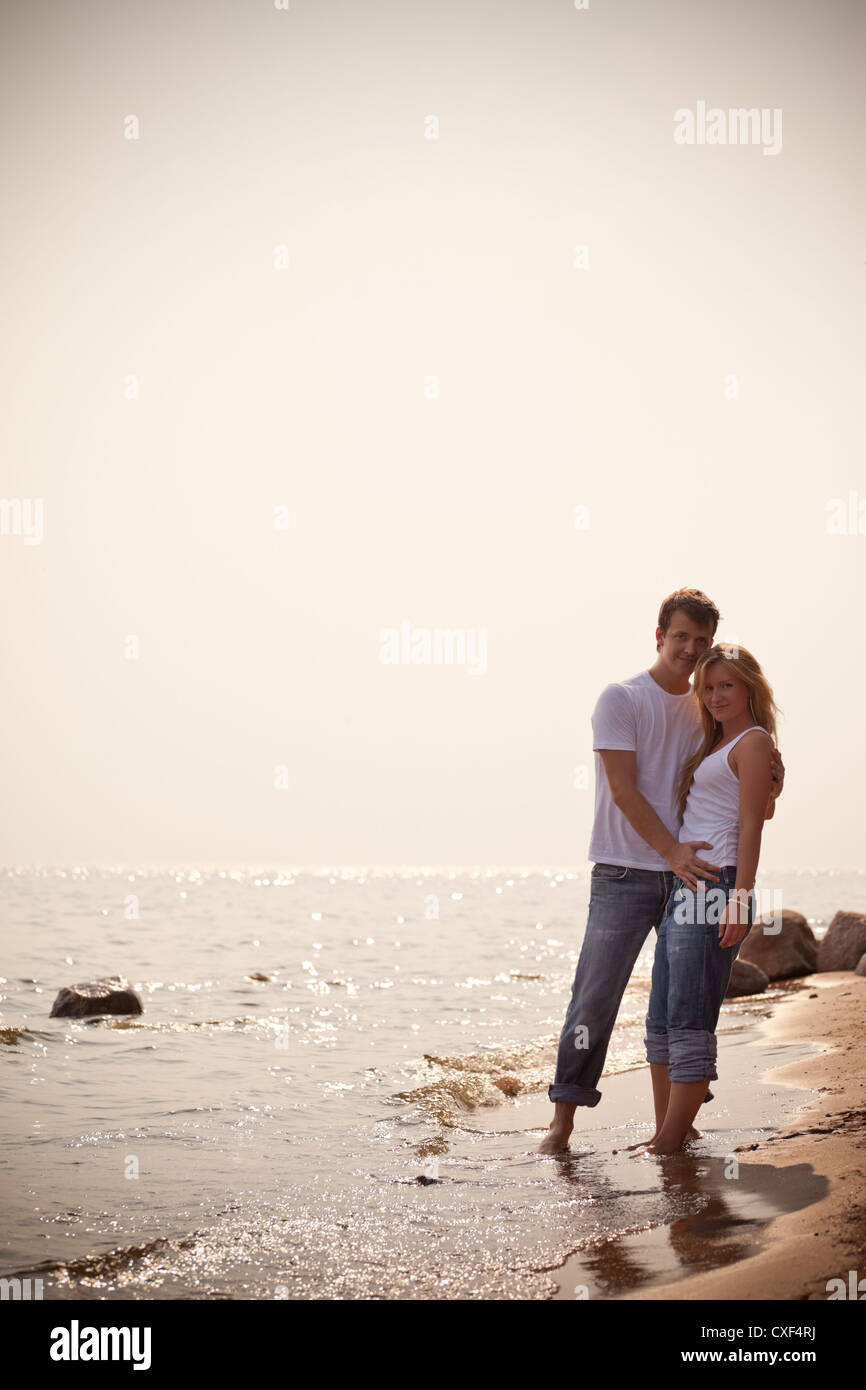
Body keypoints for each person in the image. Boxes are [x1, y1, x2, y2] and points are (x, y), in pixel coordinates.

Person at [538, 589, 784, 1155]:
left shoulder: (709, 708)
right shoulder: (621, 699)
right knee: (594, 1000)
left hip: (693, 881)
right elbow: (622, 790)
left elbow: (741, 792)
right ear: (659, 636)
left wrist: (772, 777)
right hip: (625, 874)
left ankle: (672, 1129)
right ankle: (562, 1122)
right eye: (681, 638)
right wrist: (672, 851)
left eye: (702, 642)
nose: (690, 650)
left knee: (675, 1007)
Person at [631, 643, 779, 1154]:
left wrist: (741, 898)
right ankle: (671, 1131)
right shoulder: (719, 744)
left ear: (749, 689)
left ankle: (668, 1142)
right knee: (661, 1019)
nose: (715, 695)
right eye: (709, 687)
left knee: (690, 1017)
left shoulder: (754, 741)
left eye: (727, 686)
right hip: (686, 888)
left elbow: (751, 825)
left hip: (718, 889)